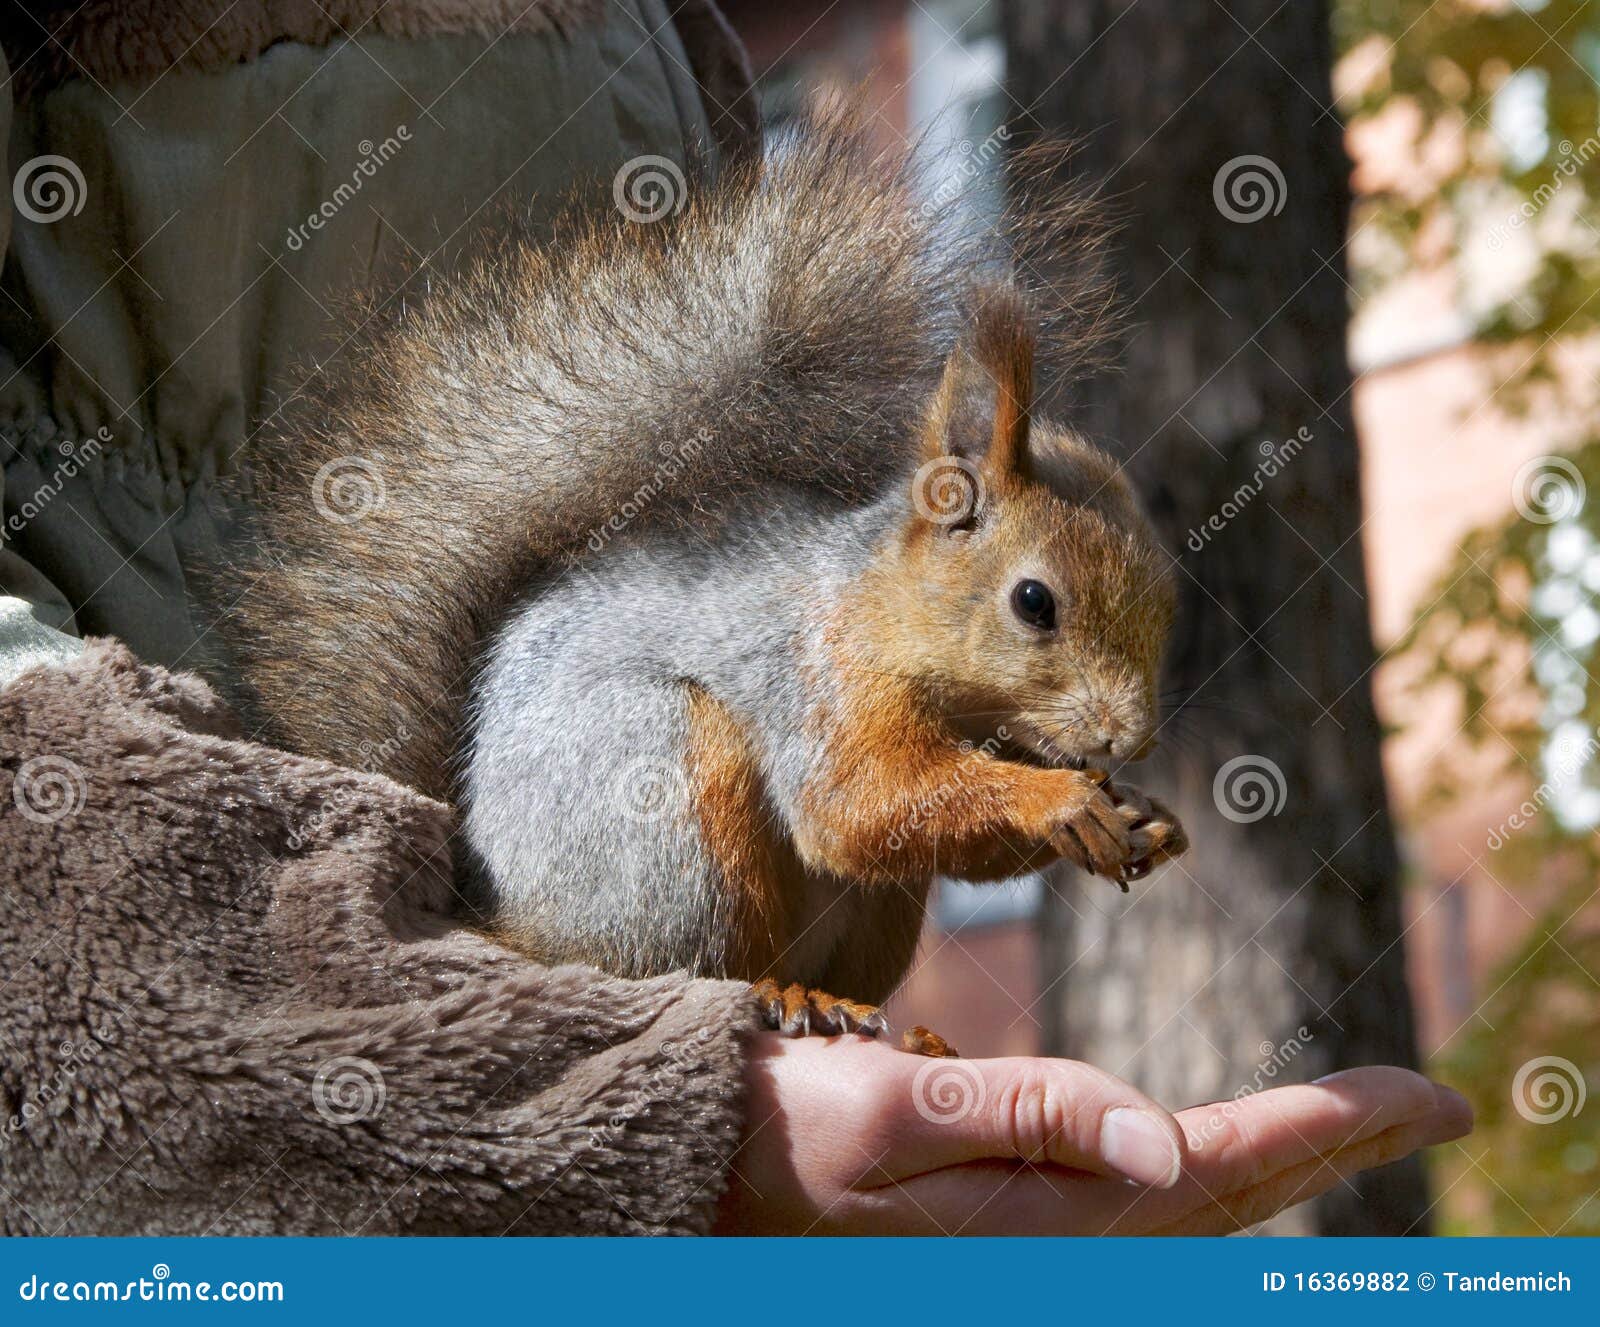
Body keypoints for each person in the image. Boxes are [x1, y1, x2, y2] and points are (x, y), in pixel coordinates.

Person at [0, 0, 1469, 1236]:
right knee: (723, 761)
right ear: (946, 515)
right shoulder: (858, 623)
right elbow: (849, 813)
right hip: (277, 987)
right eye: (1041, 618)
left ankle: (769, 1019)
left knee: (872, 914)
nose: (1123, 716)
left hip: (558, 1126)